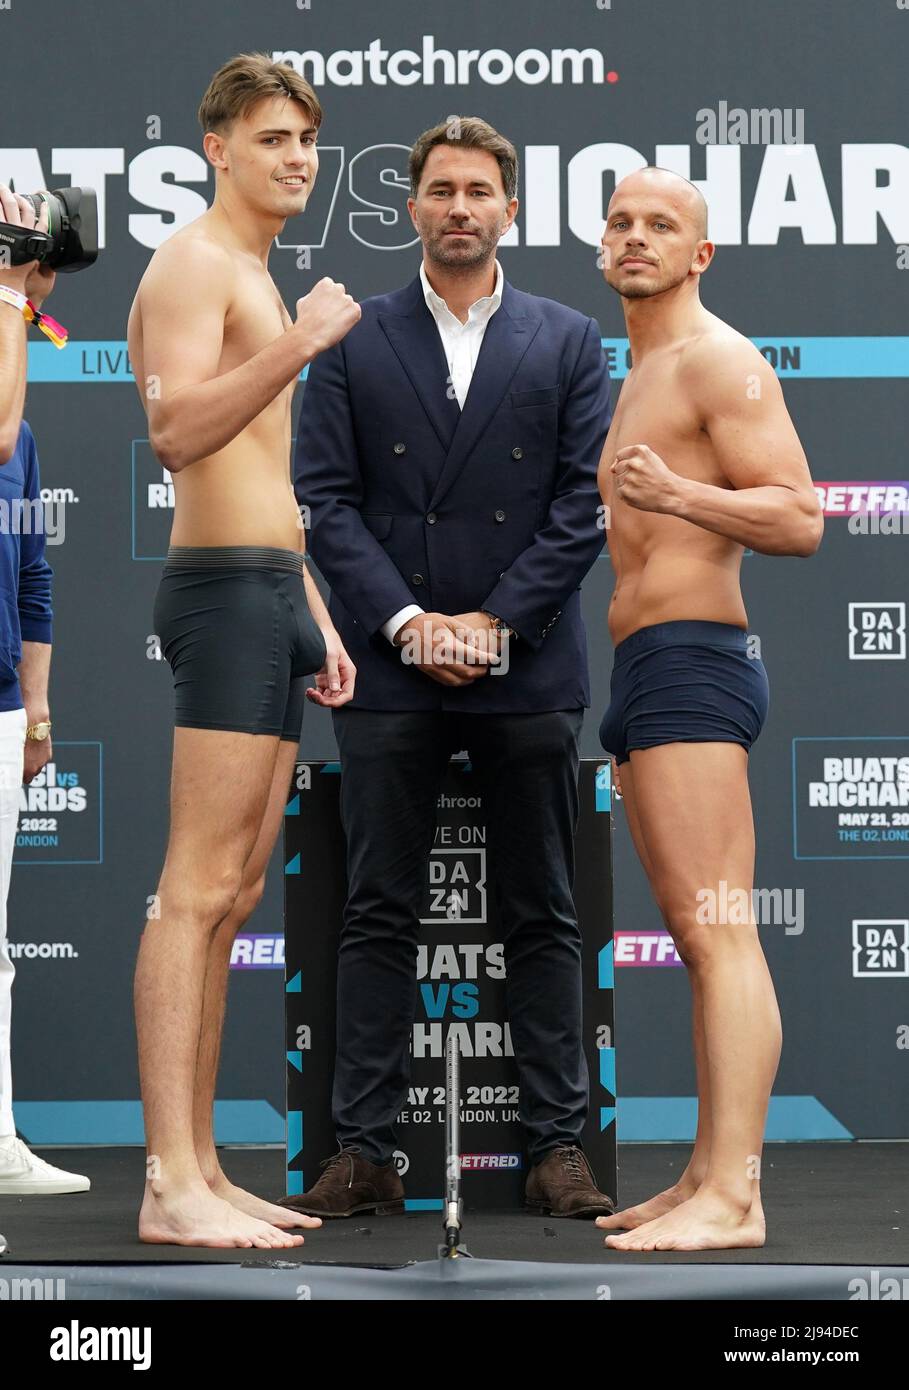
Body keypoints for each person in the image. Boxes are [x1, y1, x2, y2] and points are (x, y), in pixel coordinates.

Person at [285, 117, 615, 1221]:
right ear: (413, 208)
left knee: (544, 911)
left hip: (526, 672)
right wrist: (409, 621)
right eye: (441, 189)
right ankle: (364, 1150)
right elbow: (323, 502)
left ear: (510, 207)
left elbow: (583, 506)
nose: (461, 206)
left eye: (480, 189)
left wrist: (493, 625)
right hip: (393, 670)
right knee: (378, 909)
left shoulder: (568, 338)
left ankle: (558, 1145)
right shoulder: (353, 336)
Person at [126, 53, 360, 1249]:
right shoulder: (193, 264)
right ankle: (169, 1178)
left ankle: (205, 1167)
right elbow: (174, 432)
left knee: (235, 896)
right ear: (216, 146)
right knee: (192, 889)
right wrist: (302, 344)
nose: (296, 160)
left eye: (306, 141)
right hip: (216, 593)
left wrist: (313, 604)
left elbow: (263, 476)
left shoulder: (259, 280)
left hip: (271, 588)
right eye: (272, 139)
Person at [594, 167, 823, 1251]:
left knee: (723, 925)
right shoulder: (637, 372)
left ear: (702, 254)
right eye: (623, 222)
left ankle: (737, 1192)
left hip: (696, 658)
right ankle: (703, 1175)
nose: (636, 237)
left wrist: (680, 496)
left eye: (662, 226)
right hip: (644, 669)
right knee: (697, 932)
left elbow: (799, 516)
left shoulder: (718, 359)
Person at [0, 183, 88, 1195]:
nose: (45, 288)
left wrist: (38, 708)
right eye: (35, 267)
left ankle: (2, 1138)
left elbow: (31, 572)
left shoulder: (21, 434)